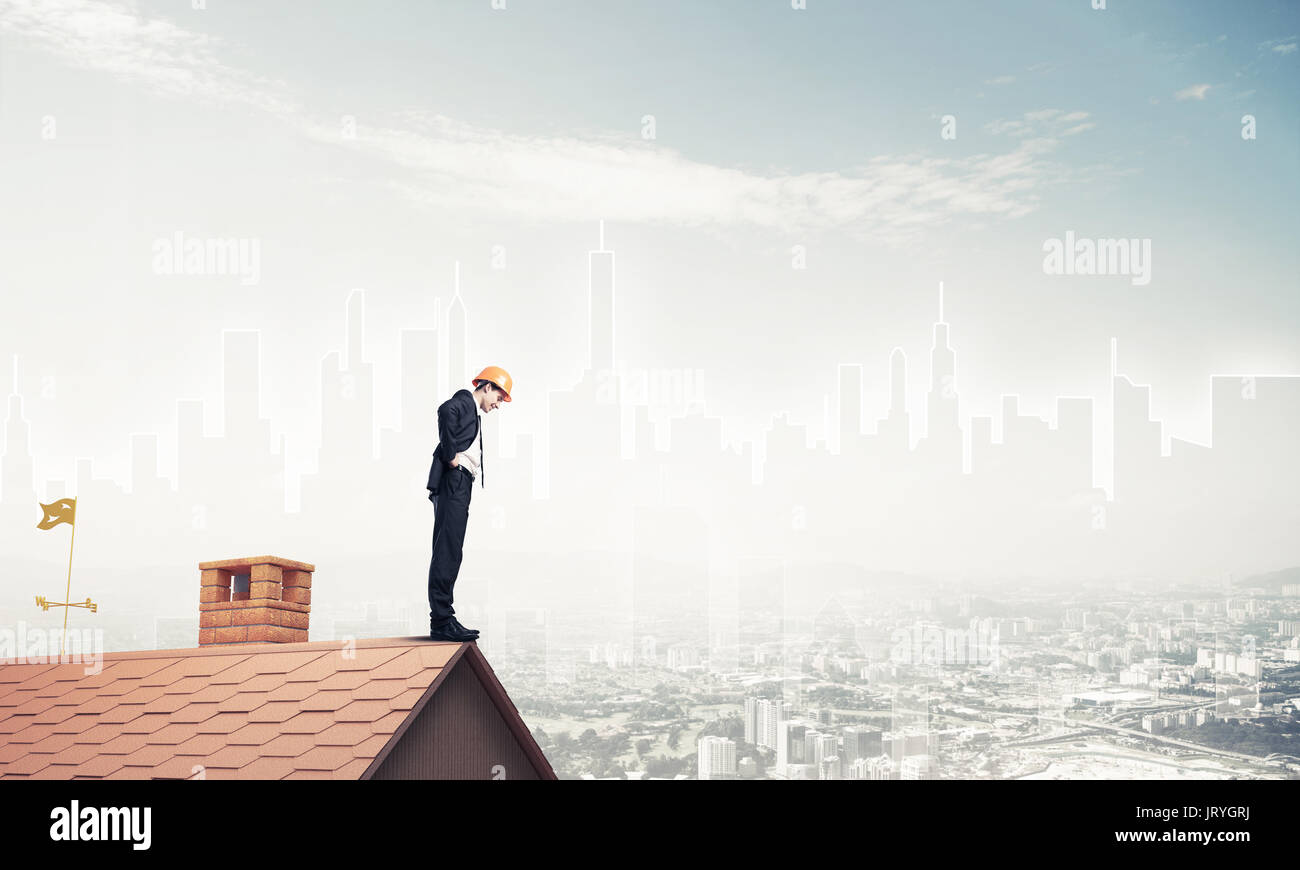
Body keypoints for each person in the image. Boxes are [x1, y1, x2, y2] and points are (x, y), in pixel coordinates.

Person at [425, 366, 513, 642]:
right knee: (448, 550)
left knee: (452, 550)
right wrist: (451, 455)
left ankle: (444, 618)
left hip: (461, 483)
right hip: (454, 480)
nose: (498, 405)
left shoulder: (473, 412)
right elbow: (444, 410)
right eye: (499, 398)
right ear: (487, 387)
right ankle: (441, 621)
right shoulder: (464, 401)